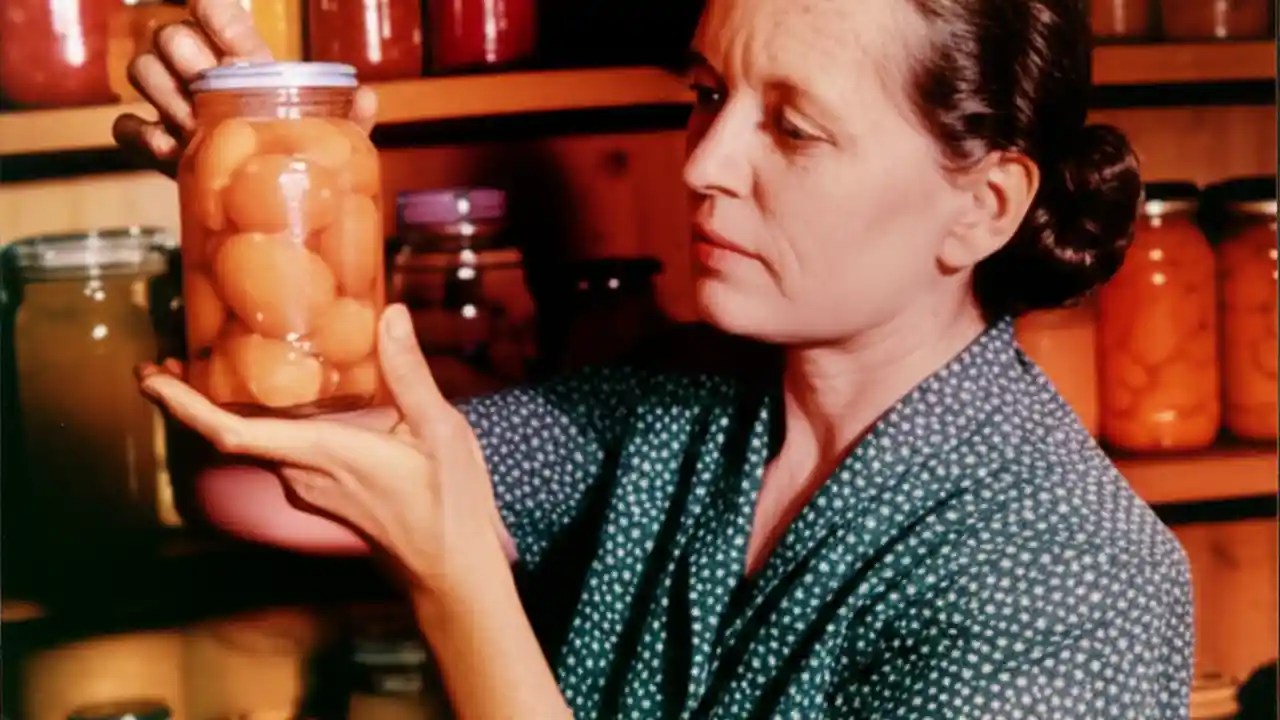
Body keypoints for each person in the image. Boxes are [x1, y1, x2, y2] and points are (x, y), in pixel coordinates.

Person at [118, 0, 1194, 716]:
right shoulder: (680, 410)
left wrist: (455, 584)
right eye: (709, 97)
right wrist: (278, 189)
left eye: (794, 127)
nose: (705, 165)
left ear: (979, 206)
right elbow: (258, 480)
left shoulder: (1073, 581)